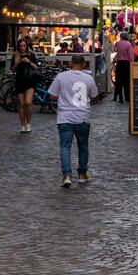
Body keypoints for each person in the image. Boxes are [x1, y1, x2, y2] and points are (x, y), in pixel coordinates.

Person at [49, 54, 101, 187]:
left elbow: (52, 95)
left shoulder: (61, 77)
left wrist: (63, 97)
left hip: (65, 117)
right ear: (84, 64)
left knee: (65, 146)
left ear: (71, 63)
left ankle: (66, 175)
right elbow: (95, 96)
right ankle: (82, 174)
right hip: (82, 117)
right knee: (83, 146)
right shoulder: (88, 78)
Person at [12, 37, 40, 134]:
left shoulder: (31, 54)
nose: (23, 48)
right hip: (19, 81)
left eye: (24, 46)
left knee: (28, 102)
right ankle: (22, 125)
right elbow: (12, 69)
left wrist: (29, 62)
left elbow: (36, 67)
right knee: (22, 104)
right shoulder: (16, 55)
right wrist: (18, 62)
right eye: (21, 46)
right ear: (18, 47)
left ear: (27, 46)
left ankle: (28, 123)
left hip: (30, 81)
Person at [113, 31, 134, 105]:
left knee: (119, 81)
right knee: (126, 82)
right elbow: (131, 56)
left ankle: (120, 98)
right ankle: (127, 97)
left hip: (119, 63)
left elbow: (115, 50)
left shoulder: (117, 43)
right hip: (126, 64)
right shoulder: (129, 45)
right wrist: (132, 64)